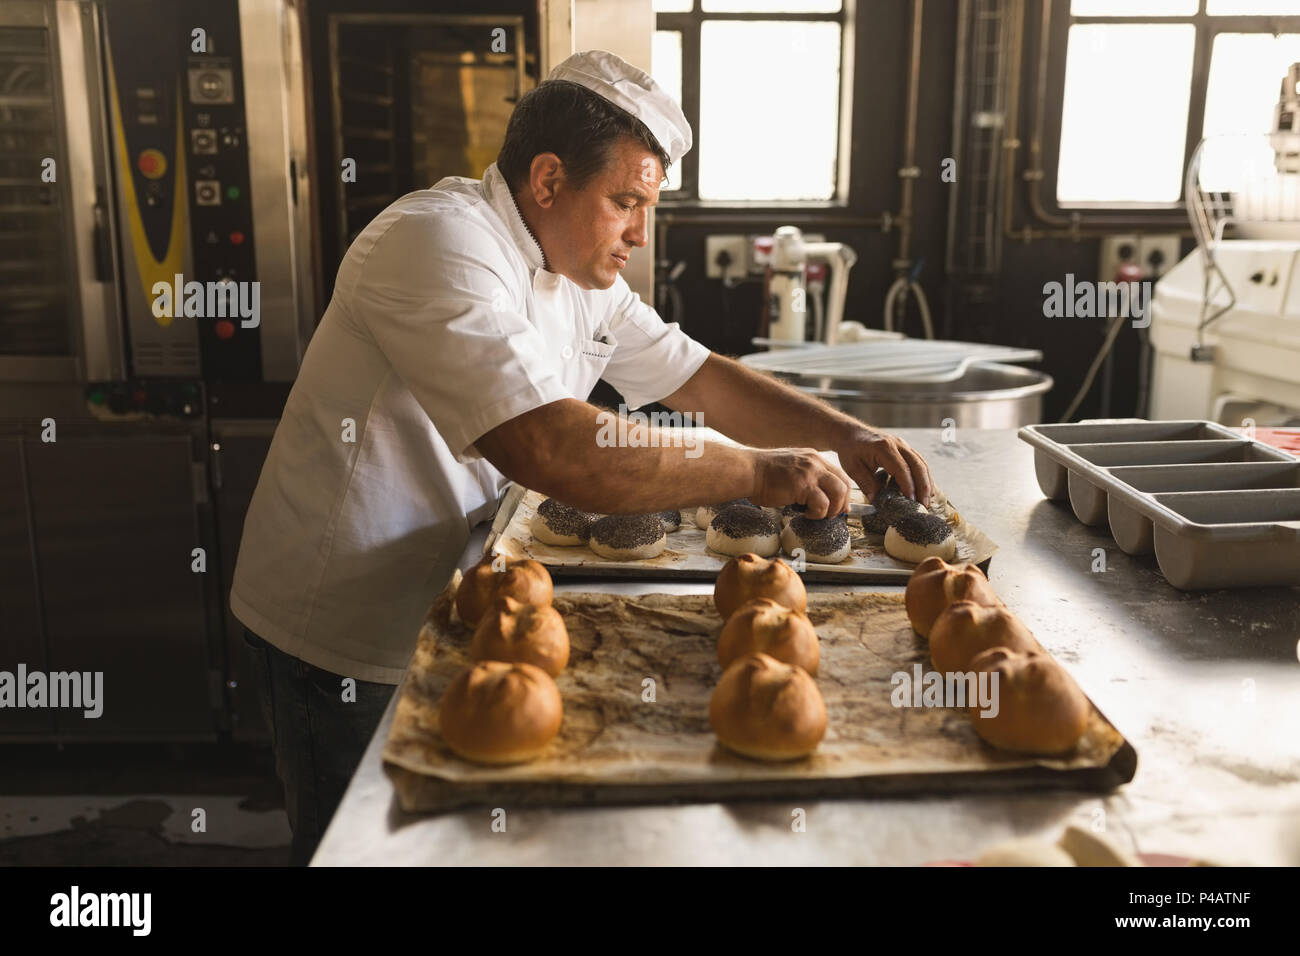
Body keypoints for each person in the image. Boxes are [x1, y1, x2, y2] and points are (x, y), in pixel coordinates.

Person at [230, 49, 933, 865]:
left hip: (461, 598)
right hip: (346, 627)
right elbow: (554, 449)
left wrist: (840, 435)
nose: (640, 232)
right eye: (625, 203)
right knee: (368, 854)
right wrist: (758, 470)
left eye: (648, 205)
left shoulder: (585, 273)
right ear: (549, 179)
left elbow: (694, 374)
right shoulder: (437, 242)